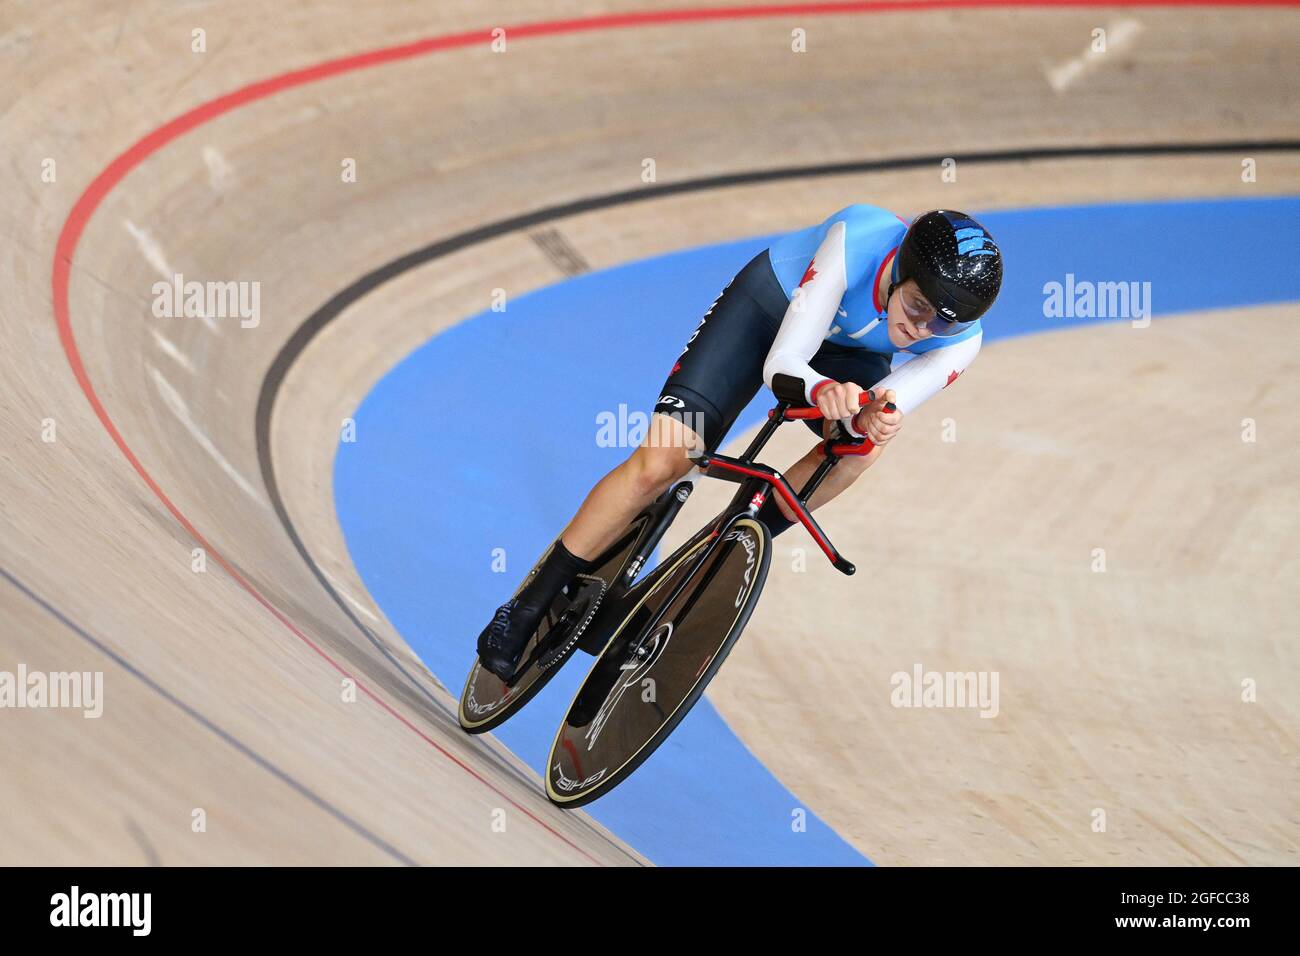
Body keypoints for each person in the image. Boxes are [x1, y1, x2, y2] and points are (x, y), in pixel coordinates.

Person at [476, 206, 1003, 679]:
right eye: (915, 307)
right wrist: (823, 390)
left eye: (939, 323)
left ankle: (739, 538)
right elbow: (783, 364)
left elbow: (885, 403)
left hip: (845, 358)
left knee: (864, 445)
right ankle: (526, 606)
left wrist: (872, 415)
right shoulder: (857, 237)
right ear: (897, 269)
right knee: (662, 463)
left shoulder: (962, 339)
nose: (920, 329)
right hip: (769, 310)